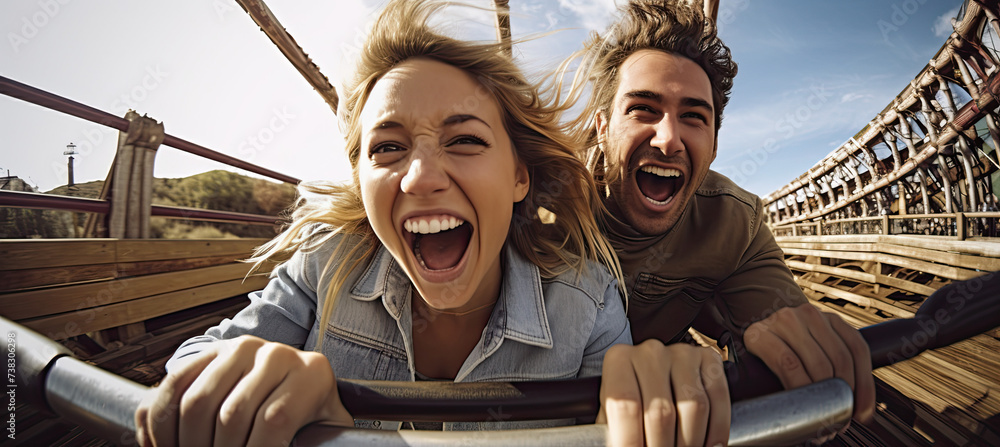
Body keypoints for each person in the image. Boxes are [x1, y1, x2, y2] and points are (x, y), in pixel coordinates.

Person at [134, 1, 632, 444]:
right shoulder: (326, 262)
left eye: (465, 140)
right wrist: (245, 381)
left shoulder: (588, 305)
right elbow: (196, 361)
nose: (420, 178)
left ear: (519, 176)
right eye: (388, 147)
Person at [559, 1, 876, 445]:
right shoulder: (541, 209)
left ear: (713, 145)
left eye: (693, 116)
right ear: (601, 127)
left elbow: (779, 322)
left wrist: (794, 344)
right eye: (642, 109)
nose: (668, 139)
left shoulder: (734, 224)